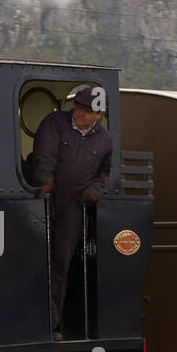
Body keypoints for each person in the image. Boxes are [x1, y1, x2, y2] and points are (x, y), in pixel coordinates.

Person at [31, 86, 112, 339]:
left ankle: (52, 323)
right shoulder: (54, 123)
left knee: (60, 264)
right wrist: (44, 184)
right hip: (44, 201)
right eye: (77, 107)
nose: (79, 113)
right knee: (34, 261)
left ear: (98, 114)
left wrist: (94, 192)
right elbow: (43, 157)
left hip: (73, 207)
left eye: (86, 111)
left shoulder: (105, 139)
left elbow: (105, 173)